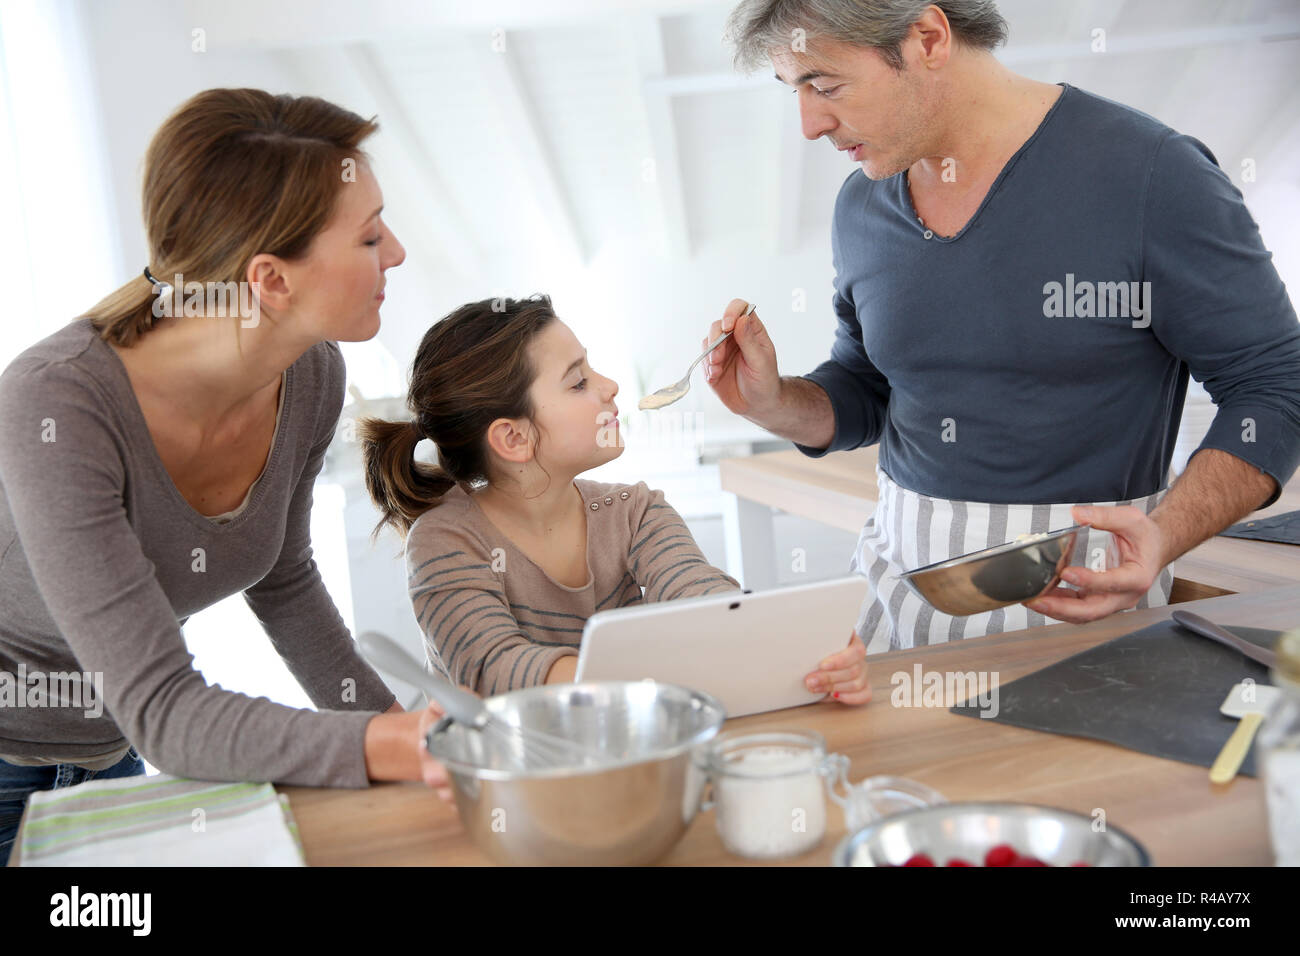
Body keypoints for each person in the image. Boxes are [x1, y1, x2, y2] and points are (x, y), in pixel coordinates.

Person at [706, 0, 1300, 651]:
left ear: (927, 38)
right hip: (891, 614)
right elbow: (869, 391)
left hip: (1085, 619)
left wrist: (1166, 533)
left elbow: (1276, 388)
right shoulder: (862, 202)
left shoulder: (1152, 176)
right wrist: (773, 403)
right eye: (795, 91)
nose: (809, 124)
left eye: (824, 85)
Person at [0, 88, 449, 866]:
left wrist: (414, 744)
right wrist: (380, 744)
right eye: (371, 236)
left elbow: (283, 577)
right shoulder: (57, 402)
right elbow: (167, 710)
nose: (399, 253)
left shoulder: (312, 376)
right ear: (270, 279)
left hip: (110, 753)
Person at [359, 295, 871, 700]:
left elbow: (708, 603)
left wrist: (799, 644)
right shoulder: (445, 541)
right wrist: (655, 679)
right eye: (579, 382)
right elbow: (497, 671)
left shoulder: (635, 512)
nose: (611, 387)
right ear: (513, 439)